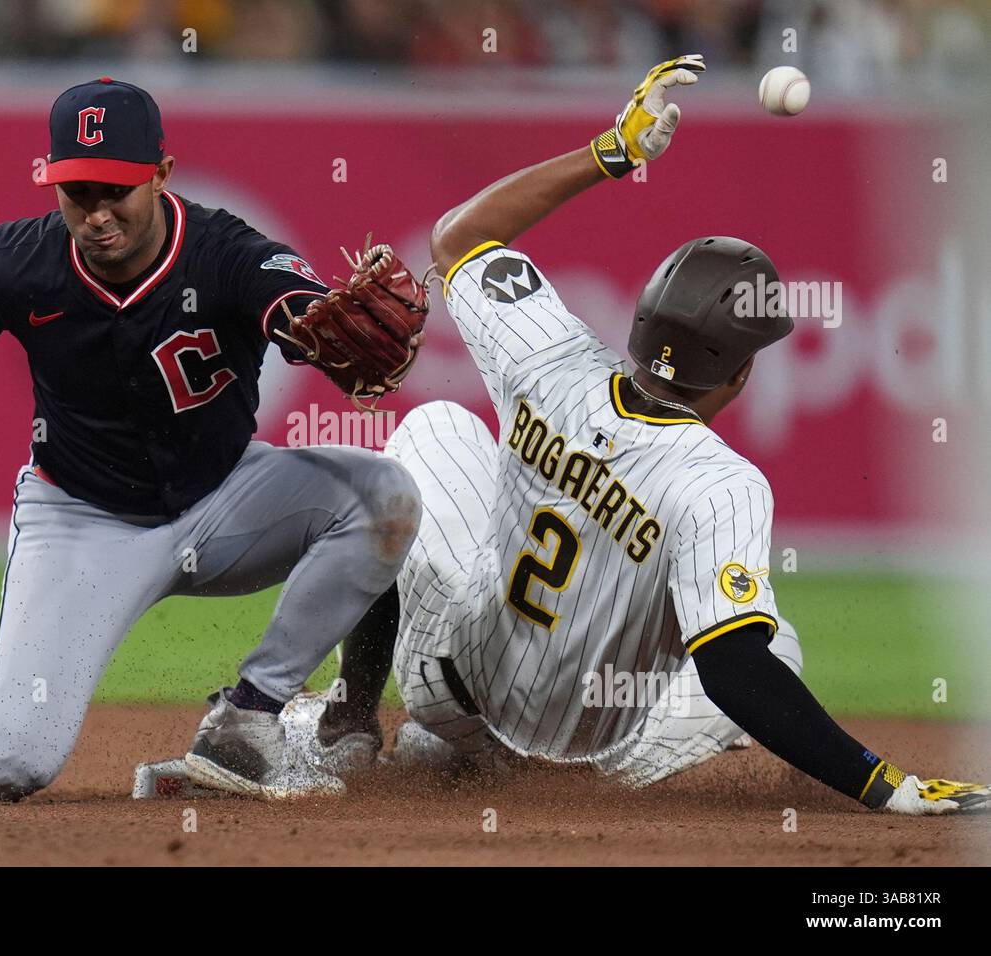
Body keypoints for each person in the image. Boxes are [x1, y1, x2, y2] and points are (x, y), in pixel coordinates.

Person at [285, 56, 988, 814]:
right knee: (768, 641)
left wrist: (612, 152)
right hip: (596, 759)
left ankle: (353, 722)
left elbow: (459, 236)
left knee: (433, 429)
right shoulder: (720, 484)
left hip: (446, 688)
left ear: (641, 322)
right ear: (739, 377)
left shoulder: (549, 355)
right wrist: (881, 785)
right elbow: (734, 671)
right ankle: (502, 762)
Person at [0, 77, 424, 802]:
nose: (98, 213)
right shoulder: (24, 259)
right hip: (81, 520)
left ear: (161, 175)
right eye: (78, 192)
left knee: (384, 495)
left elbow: (293, 297)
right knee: (7, 762)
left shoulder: (222, 250)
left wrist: (309, 321)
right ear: (51, 181)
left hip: (225, 497)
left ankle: (250, 719)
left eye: (116, 190)